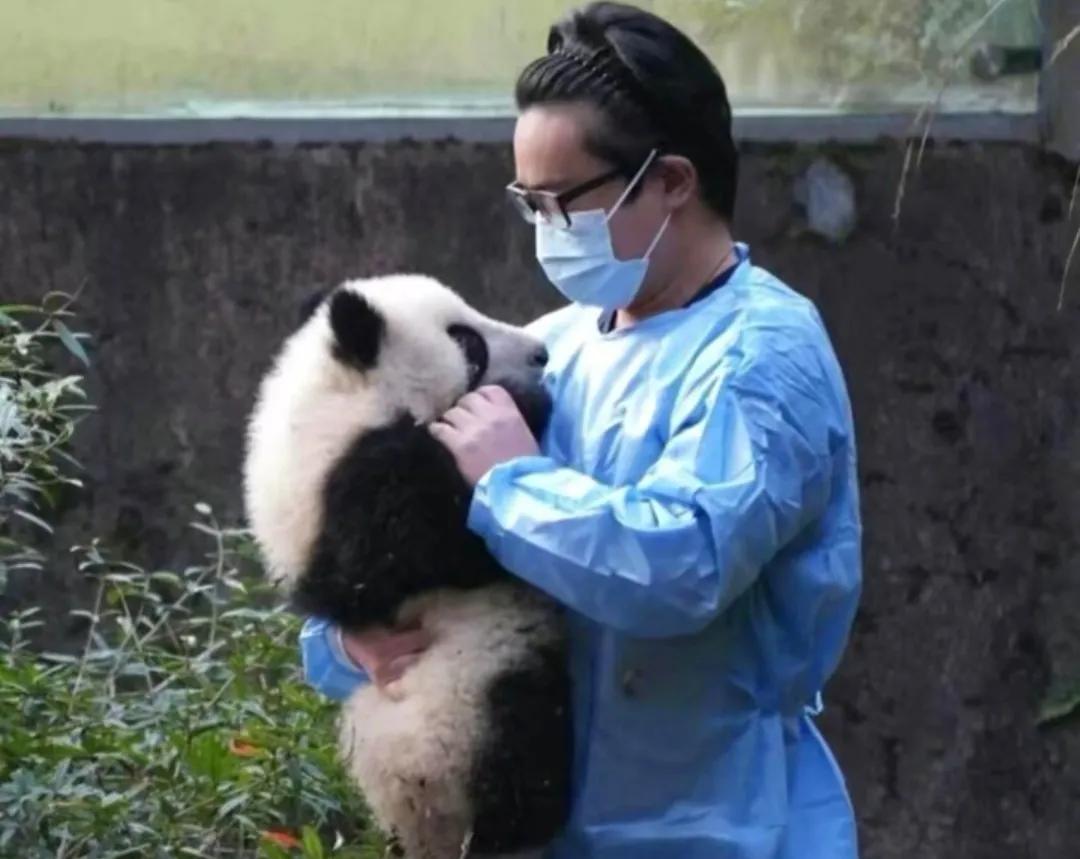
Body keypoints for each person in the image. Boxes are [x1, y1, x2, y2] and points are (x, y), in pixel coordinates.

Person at [299, 3, 862, 856]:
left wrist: (507, 485)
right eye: (529, 202)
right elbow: (394, 559)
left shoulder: (765, 357)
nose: (546, 229)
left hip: (718, 826)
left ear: (672, 181)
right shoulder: (551, 344)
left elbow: (685, 566)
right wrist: (350, 638)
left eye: (564, 202)